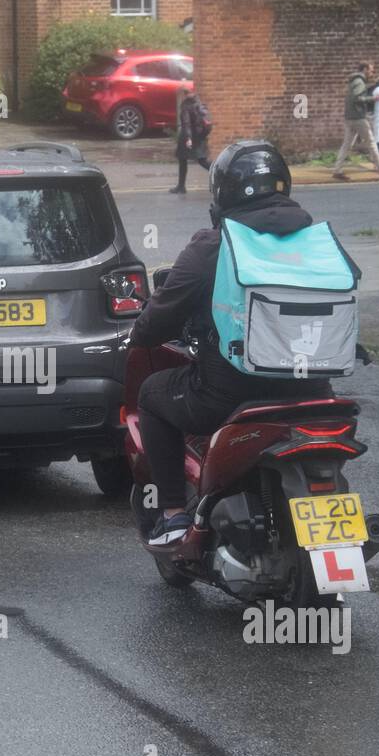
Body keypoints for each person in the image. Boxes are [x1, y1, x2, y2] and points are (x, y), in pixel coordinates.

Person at [132, 141, 334, 545]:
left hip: (227, 398)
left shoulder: (212, 246)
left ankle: (172, 515)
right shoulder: (316, 243)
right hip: (314, 391)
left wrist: (144, 328)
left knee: (152, 394)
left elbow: (154, 326)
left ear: (221, 194)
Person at [332, 63, 379, 181]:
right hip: (358, 117)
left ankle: (337, 170)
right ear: (364, 69)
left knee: (347, 145)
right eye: (370, 70)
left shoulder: (354, 81)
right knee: (371, 142)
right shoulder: (359, 82)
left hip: (350, 117)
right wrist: (373, 99)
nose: (372, 73)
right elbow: (356, 98)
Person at [170, 90, 212, 194]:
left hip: (189, 137)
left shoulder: (186, 106)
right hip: (200, 136)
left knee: (185, 160)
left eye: (185, 93)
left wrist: (188, 138)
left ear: (186, 94)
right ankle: (181, 186)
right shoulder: (199, 103)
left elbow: (186, 123)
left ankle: (181, 187)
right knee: (201, 160)